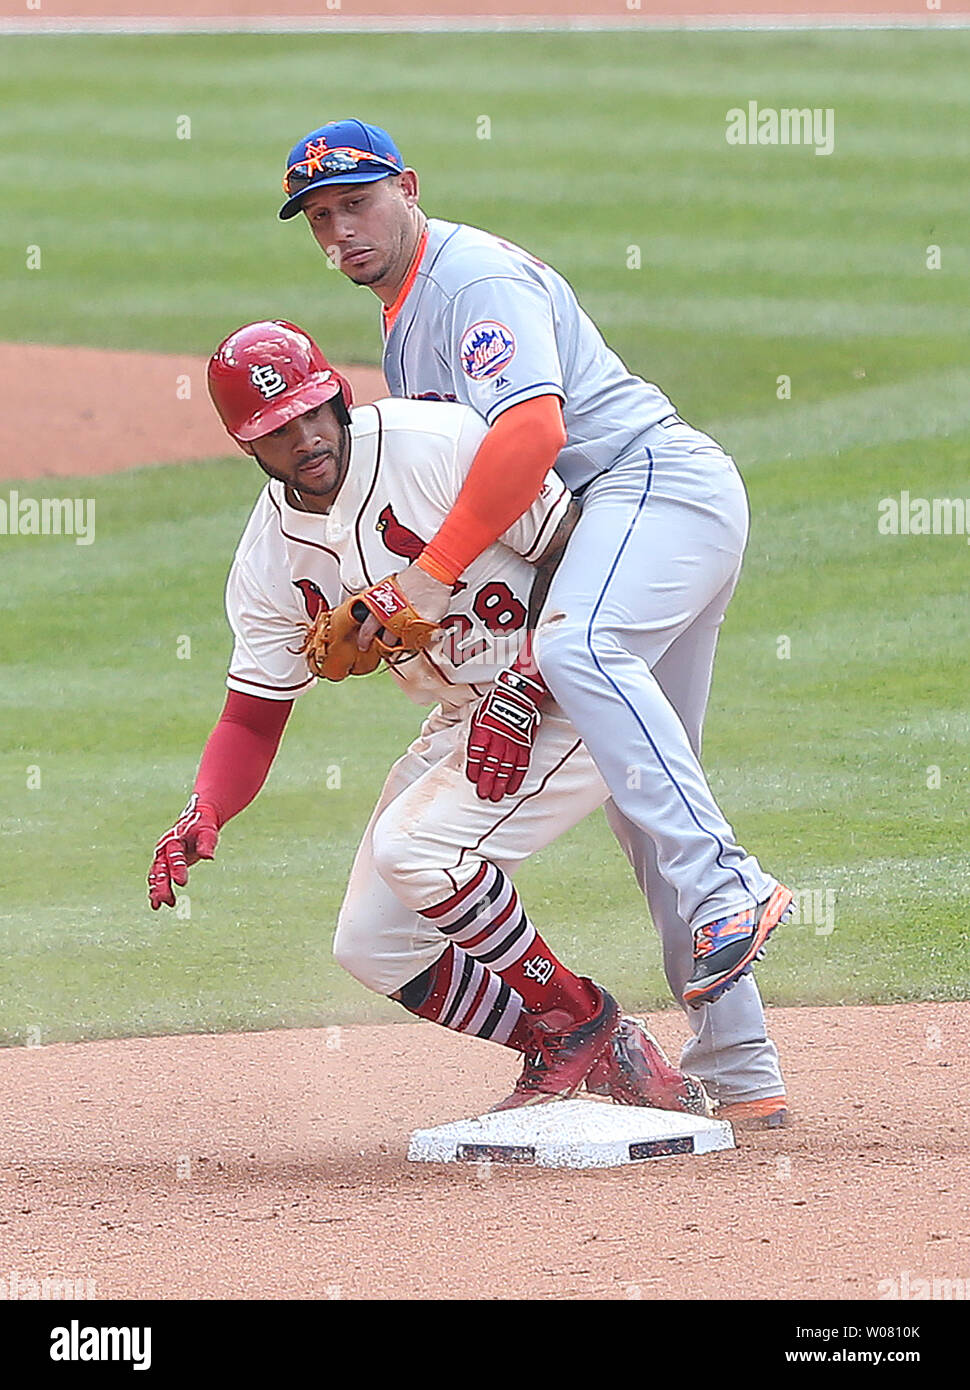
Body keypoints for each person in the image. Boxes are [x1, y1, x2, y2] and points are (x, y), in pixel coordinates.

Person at [275, 119, 795, 1127]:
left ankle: (733, 881)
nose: (342, 231)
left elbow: (533, 434)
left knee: (581, 648)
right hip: (613, 525)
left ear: (409, 187)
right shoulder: (407, 308)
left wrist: (424, 585)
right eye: (322, 218)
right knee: (641, 786)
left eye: (358, 203)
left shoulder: (469, 283)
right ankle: (741, 1066)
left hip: (649, 491)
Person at [147, 318, 712, 1116]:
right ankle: (589, 1050)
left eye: (313, 410)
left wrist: (528, 679)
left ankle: (578, 1020)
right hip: (464, 715)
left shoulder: (436, 444)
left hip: (576, 683)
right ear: (248, 445)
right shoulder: (270, 558)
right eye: (277, 427)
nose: (305, 436)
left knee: (416, 848)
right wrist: (206, 807)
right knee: (372, 942)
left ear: (337, 397)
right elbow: (251, 719)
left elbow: (583, 551)